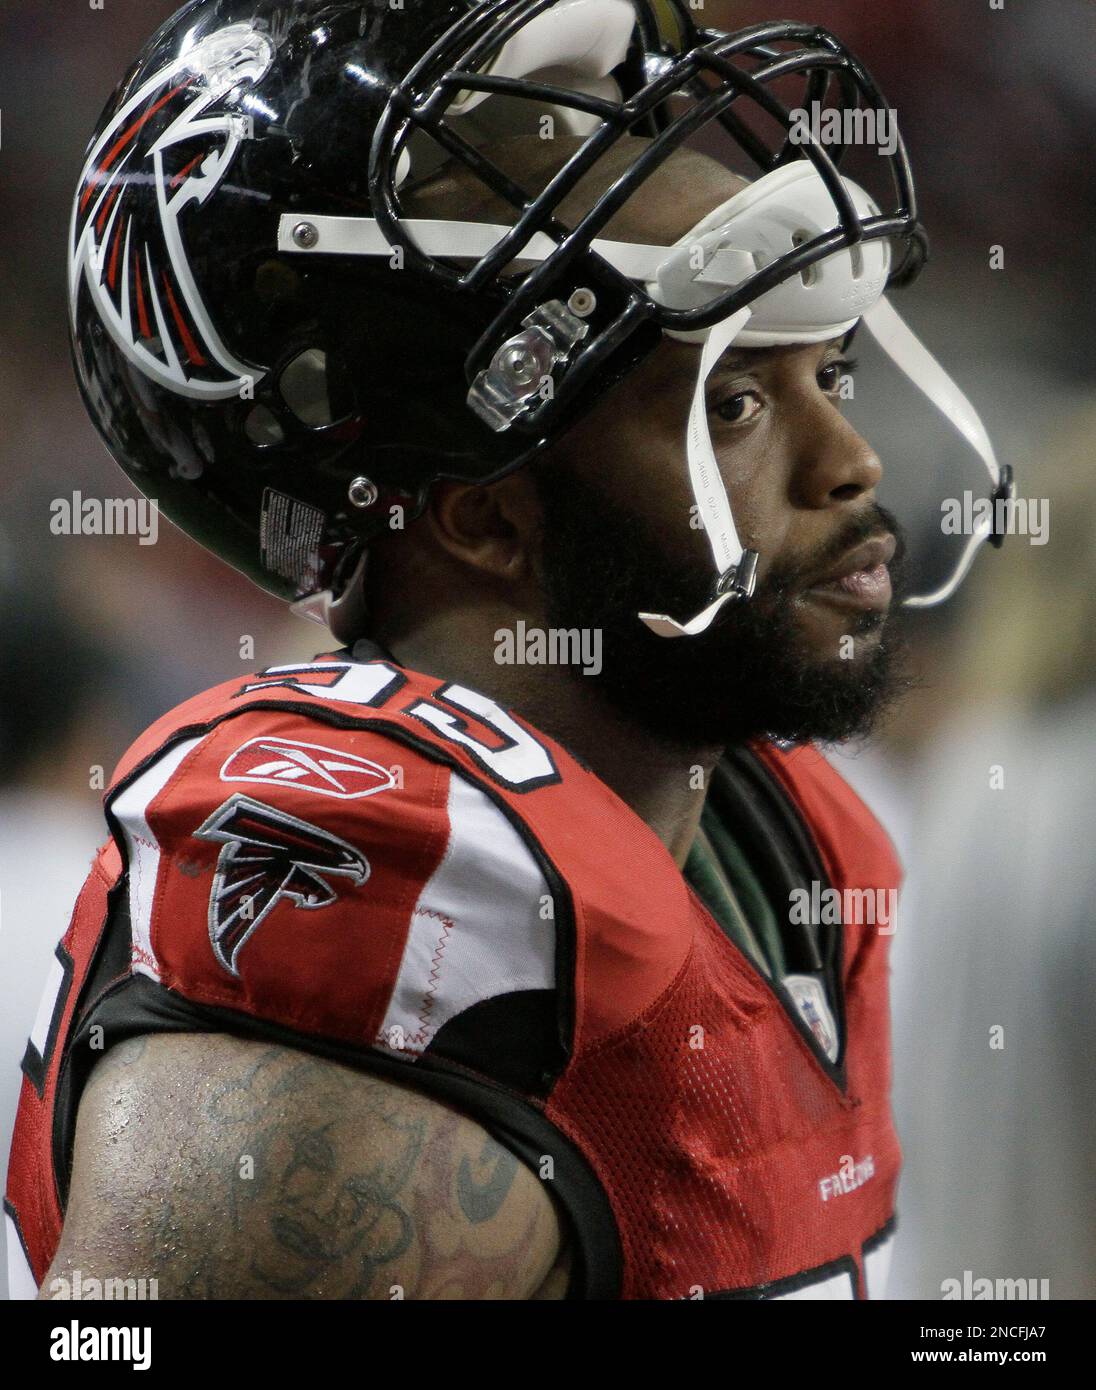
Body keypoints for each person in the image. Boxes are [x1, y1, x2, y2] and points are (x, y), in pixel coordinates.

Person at [5, 0, 1007, 1300]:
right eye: (738, 403)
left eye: (830, 375)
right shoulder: (396, 952)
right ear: (485, 519)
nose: (852, 463)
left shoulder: (766, 829)